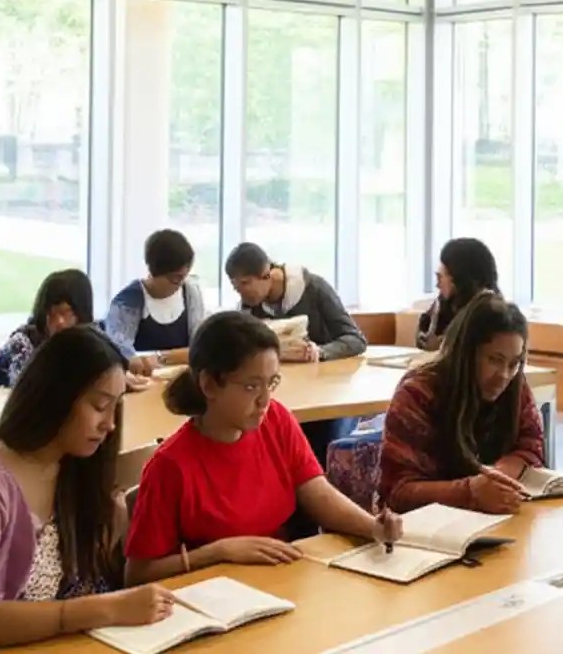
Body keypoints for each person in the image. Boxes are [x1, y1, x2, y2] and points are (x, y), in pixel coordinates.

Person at [123, 311, 401, 586]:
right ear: (208, 384)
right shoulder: (170, 466)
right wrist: (217, 552)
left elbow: (316, 492)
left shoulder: (276, 419)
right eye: (251, 386)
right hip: (217, 599)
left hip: (282, 582)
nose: (265, 400)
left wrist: (373, 527)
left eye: (272, 383)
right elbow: (138, 574)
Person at [0, 326, 175, 650]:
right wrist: (103, 609)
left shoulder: (74, 467)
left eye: (115, 407)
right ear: (55, 398)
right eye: (99, 406)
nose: (109, 424)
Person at [378, 292, 545, 514]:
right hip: (425, 529)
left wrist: (501, 475)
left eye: (514, 363)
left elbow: (531, 443)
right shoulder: (418, 393)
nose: (504, 375)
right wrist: (469, 492)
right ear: (467, 353)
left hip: (495, 517)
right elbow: (397, 492)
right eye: (494, 360)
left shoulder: (516, 386)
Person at [223, 242, 367, 465]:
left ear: (266, 274)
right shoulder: (249, 306)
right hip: (278, 395)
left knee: (318, 445)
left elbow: (355, 339)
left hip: (325, 395)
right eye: (235, 286)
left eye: (245, 283)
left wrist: (320, 351)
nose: (241, 292)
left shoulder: (314, 289)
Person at [0, 269, 141, 389]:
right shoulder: (23, 343)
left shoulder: (91, 336)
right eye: (51, 314)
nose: (59, 322)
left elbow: (113, 366)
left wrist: (118, 377)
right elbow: (29, 394)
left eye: (65, 313)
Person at [105, 229, 206, 372]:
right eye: (175, 278)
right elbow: (119, 349)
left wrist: (160, 357)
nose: (180, 283)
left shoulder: (190, 292)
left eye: (184, 276)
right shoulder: (129, 299)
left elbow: (199, 348)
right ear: (154, 272)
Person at [417, 237, 500, 352]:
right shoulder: (445, 303)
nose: (437, 285)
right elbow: (426, 332)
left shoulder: (492, 313)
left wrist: (442, 348)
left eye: (440, 277)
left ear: (458, 279)